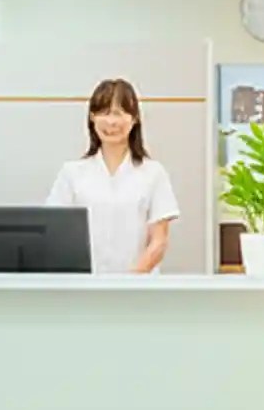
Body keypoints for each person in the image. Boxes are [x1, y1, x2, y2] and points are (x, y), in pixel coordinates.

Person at [46, 78, 179, 274]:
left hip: (138, 290)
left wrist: (128, 281)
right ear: (92, 117)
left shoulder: (153, 173)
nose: (111, 122)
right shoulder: (71, 173)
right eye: (104, 113)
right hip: (84, 289)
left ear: (134, 119)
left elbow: (158, 242)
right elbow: (55, 232)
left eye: (119, 113)